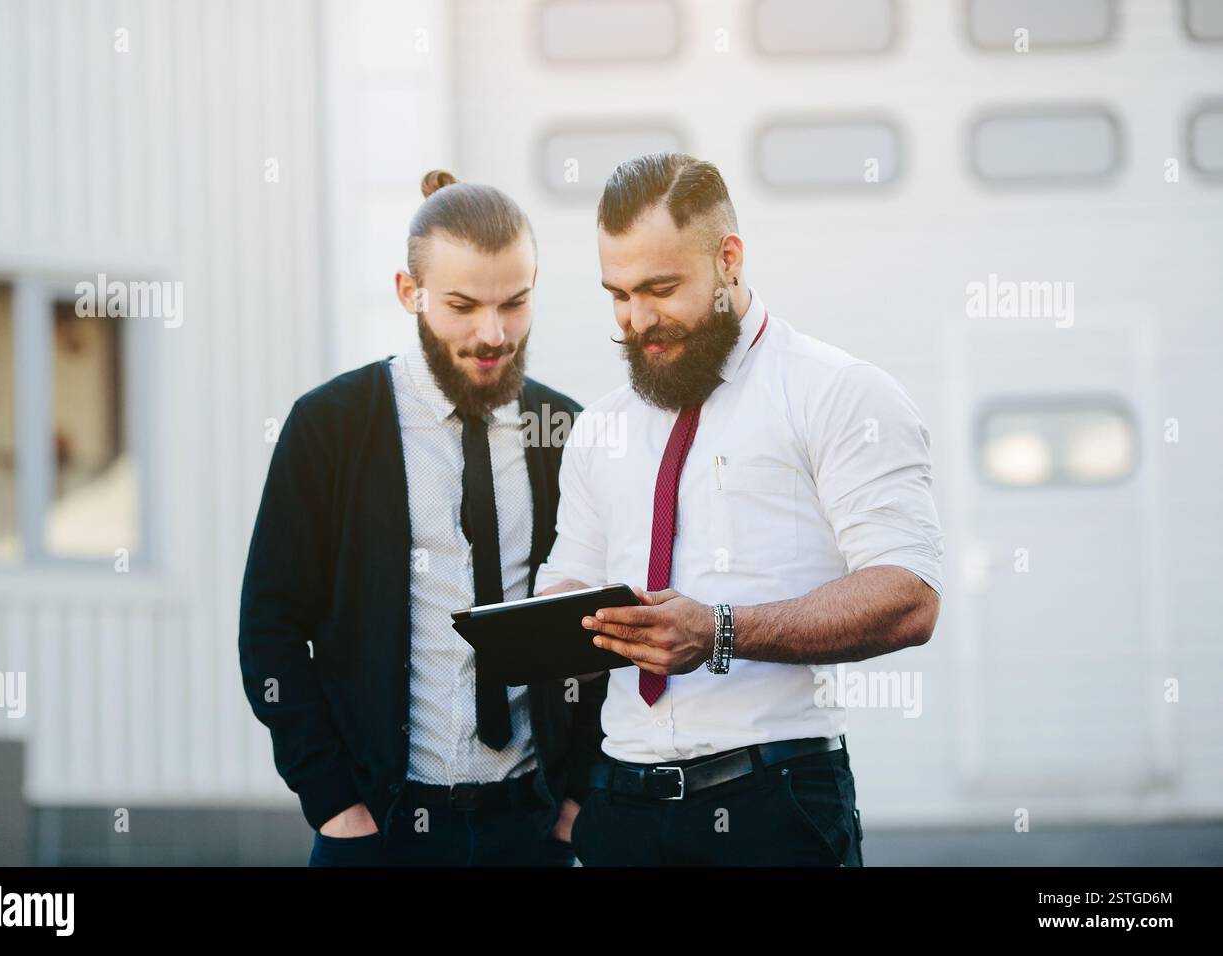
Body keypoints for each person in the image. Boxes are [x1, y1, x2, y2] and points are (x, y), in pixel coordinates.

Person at [535, 153, 944, 866]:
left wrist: (719, 631)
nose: (638, 320)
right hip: (620, 813)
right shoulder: (598, 429)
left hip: (773, 808)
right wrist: (552, 620)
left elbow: (908, 597)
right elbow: (570, 578)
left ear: (729, 259)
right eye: (618, 294)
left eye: (661, 288)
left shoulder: (839, 393)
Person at [240, 169, 604, 866]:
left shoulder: (565, 432)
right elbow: (270, 629)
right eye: (463, 306)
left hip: (529, 830)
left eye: (515, 304)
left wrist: (577, 800)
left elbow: (598, 634)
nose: (492, 334)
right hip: (379, 831)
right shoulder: (330, 427)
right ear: (410, 293)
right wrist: (335, 805)